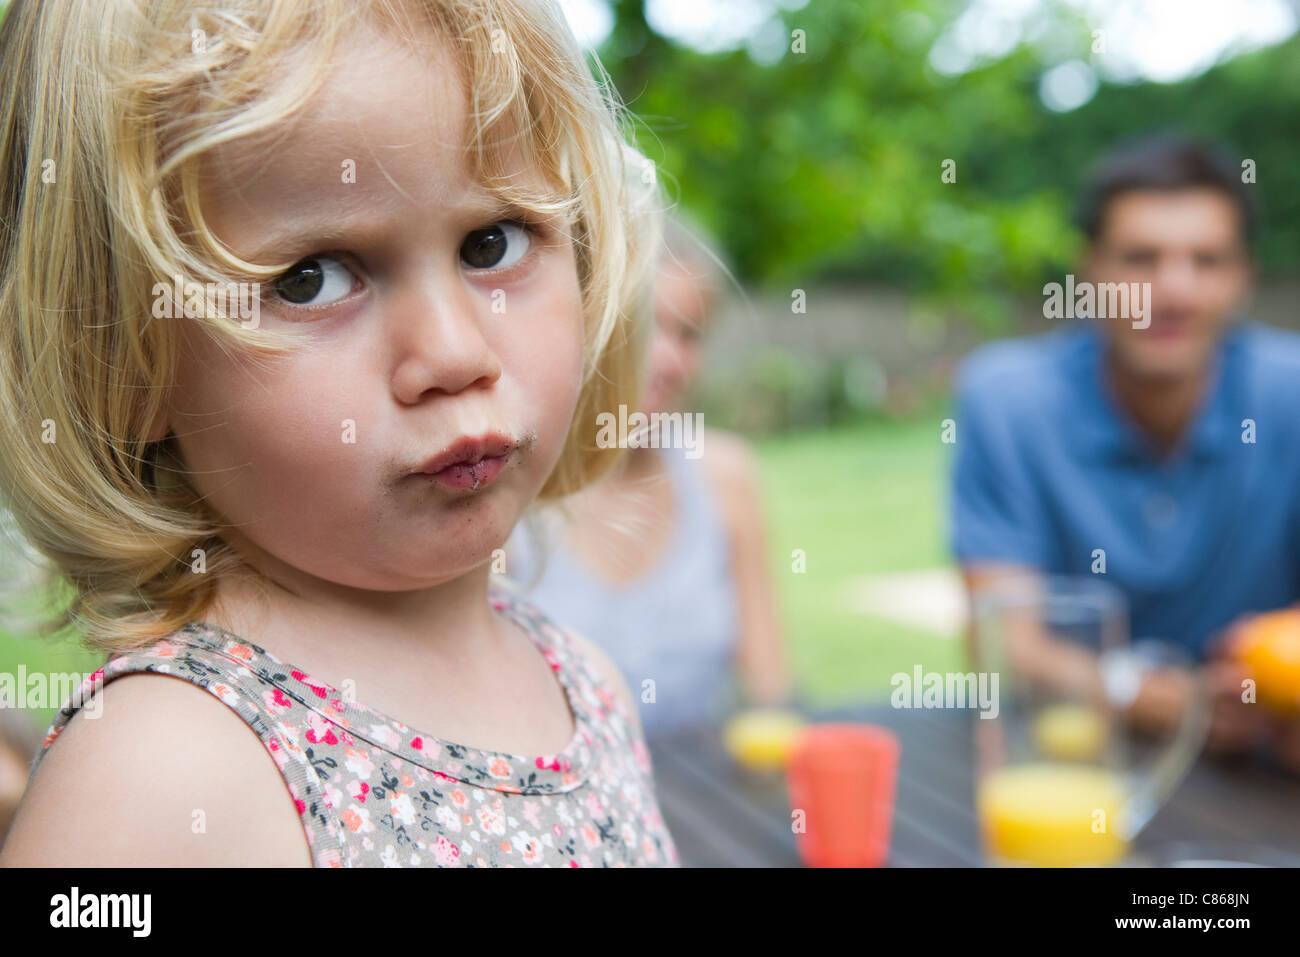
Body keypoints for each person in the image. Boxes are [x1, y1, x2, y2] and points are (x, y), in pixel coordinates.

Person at [0, 0, 678, 867]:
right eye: (312, 279)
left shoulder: (586, 683)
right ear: (126, 363)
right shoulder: (165, 771)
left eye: (491, 242)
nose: (452, 352)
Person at [950, 133, 1300, 771]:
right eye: (1141, 259)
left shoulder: (1290, 395)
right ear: (1090, 273)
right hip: (1072, 765)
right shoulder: (1008, 401)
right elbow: (1000, 643)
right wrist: (1151, 698)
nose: (1172, 291)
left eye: (1207, 260)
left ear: (1243, 277)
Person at [501, 216, 794, 737]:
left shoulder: (725, 474)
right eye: (646, 327)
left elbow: (771, 693)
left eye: (689, 334)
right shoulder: (508, 493)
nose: (668, 359)